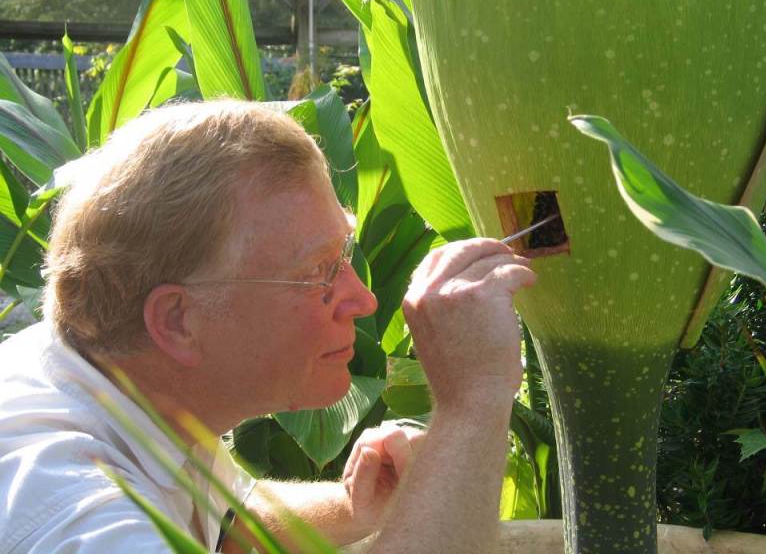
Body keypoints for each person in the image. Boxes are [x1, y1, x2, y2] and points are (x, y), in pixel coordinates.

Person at [0, 100, 536, 554]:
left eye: (344, 255)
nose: (363, 299)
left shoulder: (116, 383)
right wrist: (473, 401)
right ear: (177, 320)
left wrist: (357, 504)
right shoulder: (76, 519)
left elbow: (225, 519)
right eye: (317, 272)